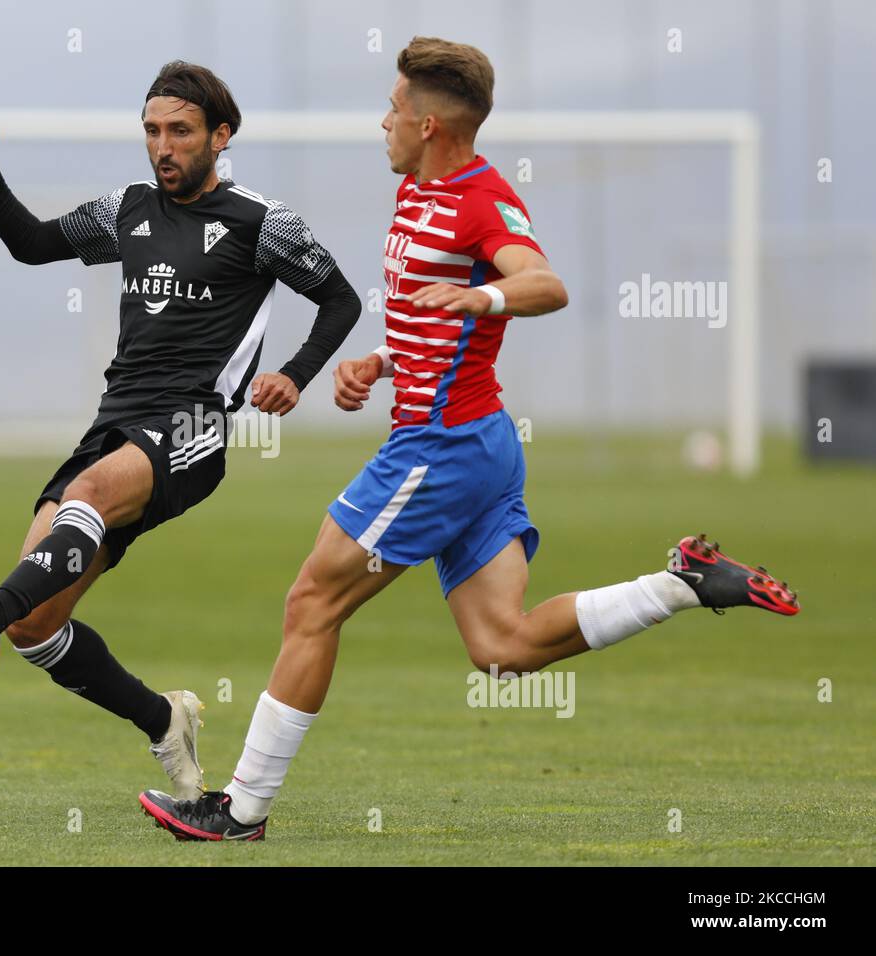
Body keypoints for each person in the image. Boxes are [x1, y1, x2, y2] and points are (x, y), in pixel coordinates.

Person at [139, 37, 798, 840]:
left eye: (393, 109)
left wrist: (485, 297)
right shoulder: (417, 192)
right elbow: (432, 314)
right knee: (503, 648)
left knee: (312, 602)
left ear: (427, 124)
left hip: (439, 449)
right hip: (477, 442)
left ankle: (240, 810)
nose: (382, 120)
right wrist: (381, 362)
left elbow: (543, 283)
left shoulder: (481, 198)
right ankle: (681, 584)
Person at [0, 60, 361, 798]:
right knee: (38, 627)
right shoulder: (128, 207)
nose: (163, 146)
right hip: (115, 420)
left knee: (74, 519)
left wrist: (294, 372)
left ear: (220, 136)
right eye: (153, 131)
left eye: (181, 131)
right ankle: (162, 719)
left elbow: (341, 301)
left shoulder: (263, 223)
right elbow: (32, 244)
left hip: (193, 422)